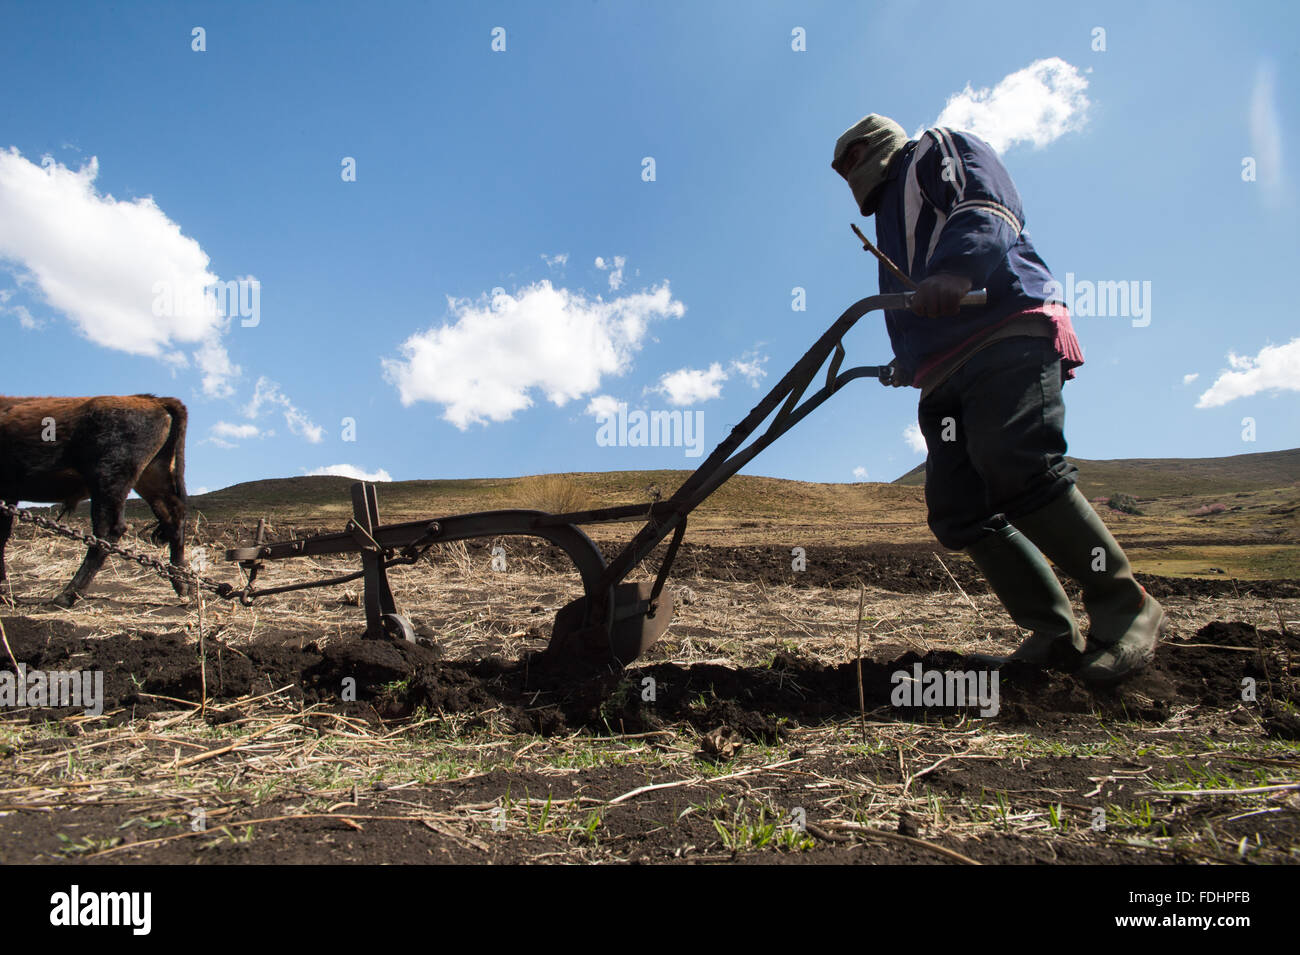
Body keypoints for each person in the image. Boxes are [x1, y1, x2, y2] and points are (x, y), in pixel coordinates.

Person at [831, 114, 1164, 684]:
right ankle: (1054, 634)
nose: (849, 172)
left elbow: (989, 202)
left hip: (1004, 330)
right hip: (942, 369)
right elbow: (912, 299)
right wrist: (905, 362)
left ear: (876, 146)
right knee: (958, 509)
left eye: (853, 158)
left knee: (1018, 462)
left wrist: (959, 269)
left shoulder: (935, 149)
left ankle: (1124, 604)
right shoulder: (888, 216)